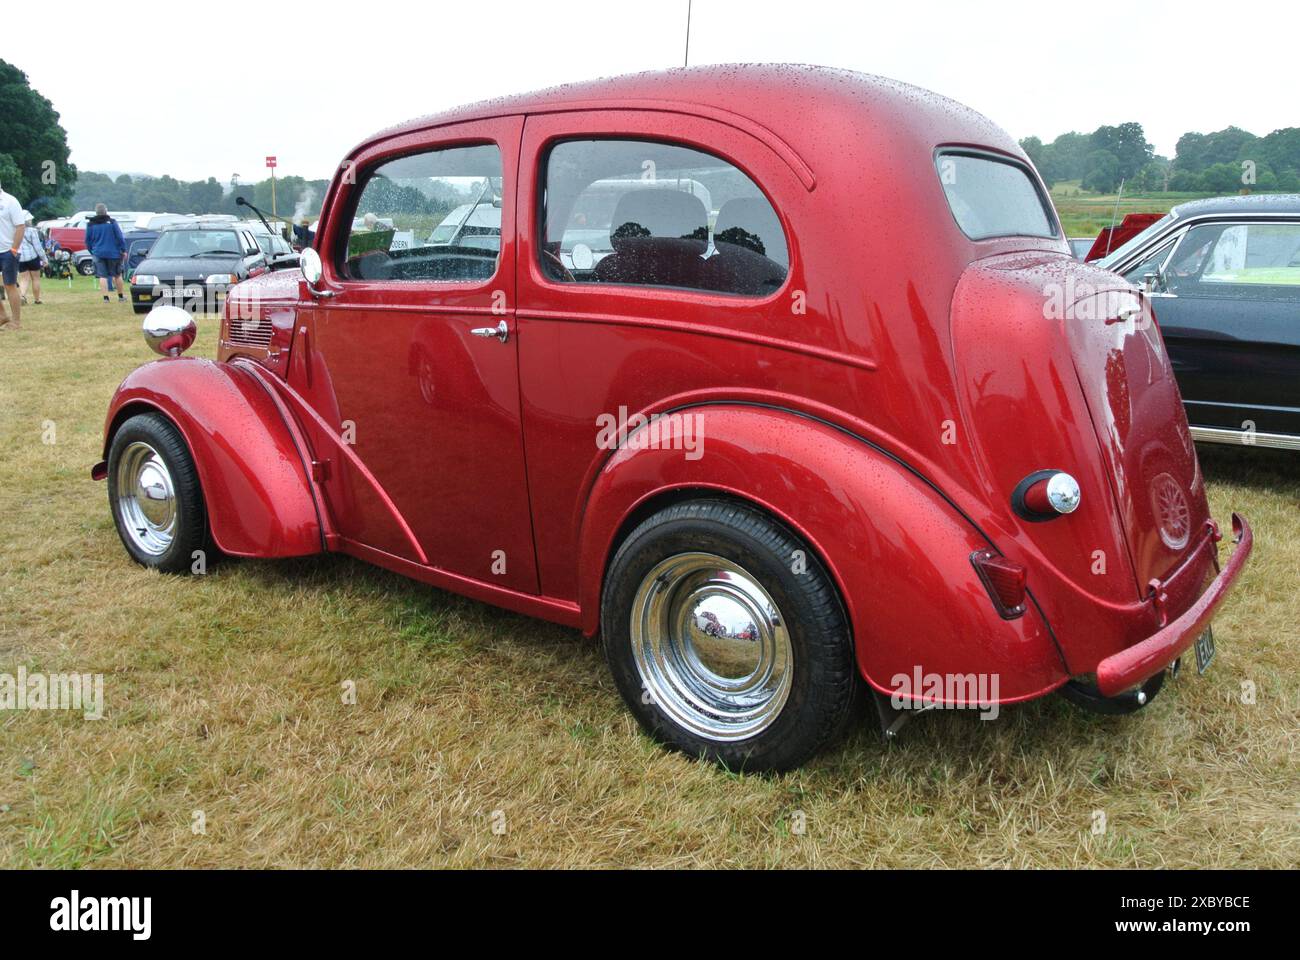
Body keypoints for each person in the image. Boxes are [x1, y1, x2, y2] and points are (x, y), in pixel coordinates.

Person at [84, 203, 128, 303]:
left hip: (98, 253)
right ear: (106, 211)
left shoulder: (91, 224)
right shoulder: (112, 223)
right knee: (117, 275)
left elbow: (87, 240)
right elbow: (119, 237)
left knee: (102, 276)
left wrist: (92, 251)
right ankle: (120, 297)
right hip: (114, 253)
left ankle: (106, 298)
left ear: (96, 212)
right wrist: (123, 250)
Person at [0, 178, 26, 330]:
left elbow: (20, 226)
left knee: (9, 285)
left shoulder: (10, 201)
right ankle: (3, 316)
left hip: (8, 250)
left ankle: (16, 322)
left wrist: (14, 249)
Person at [17, 212, 46, 305]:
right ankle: (37, 300)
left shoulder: (15, 230)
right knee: (36, 279)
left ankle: (22, 296)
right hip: (32, 258)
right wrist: (44, 259)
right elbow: (38, 247)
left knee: (23, 279)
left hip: (20, 258)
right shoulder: (32, 231)